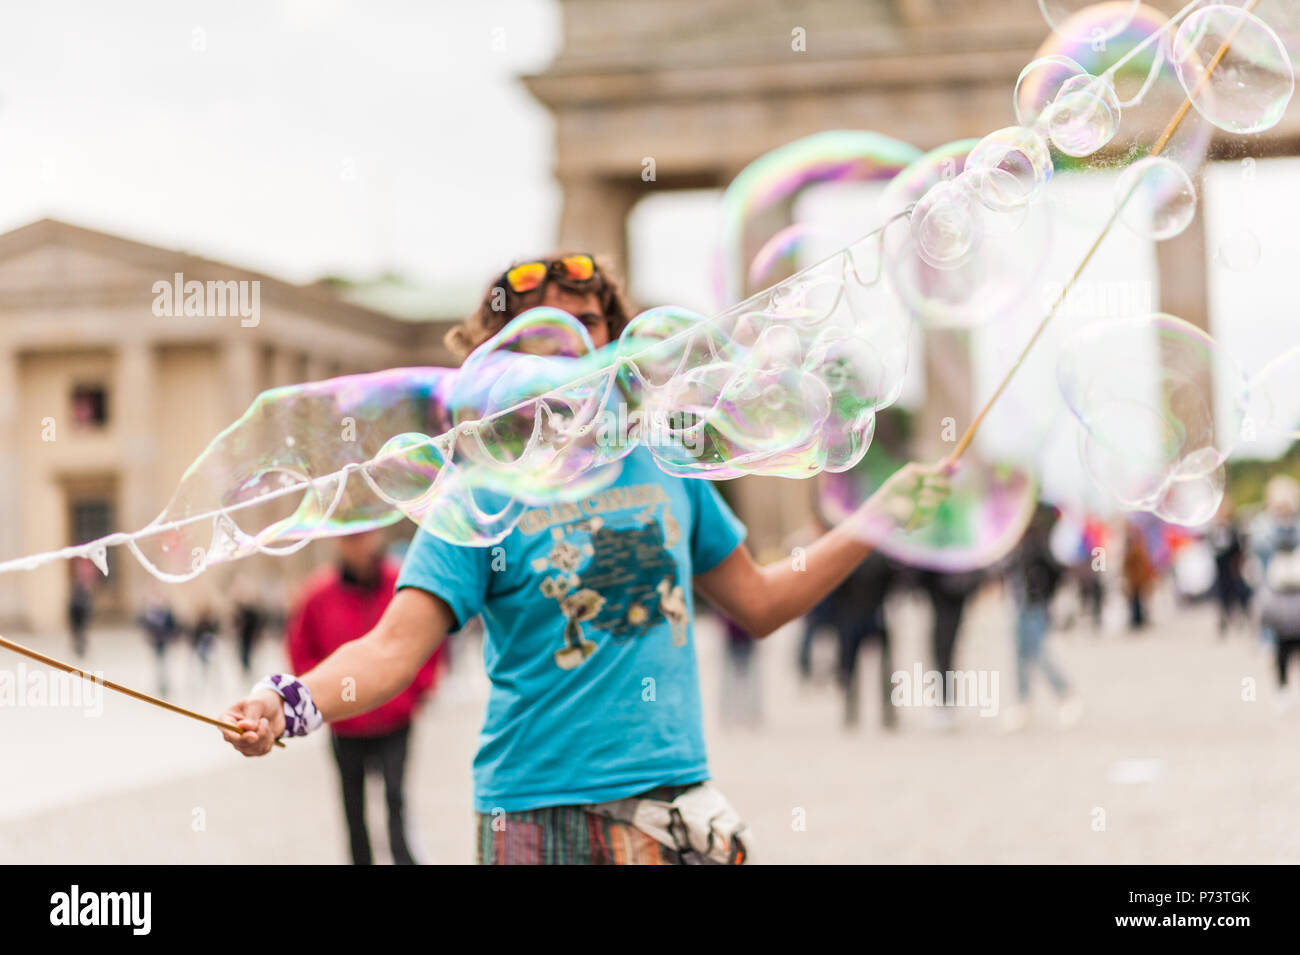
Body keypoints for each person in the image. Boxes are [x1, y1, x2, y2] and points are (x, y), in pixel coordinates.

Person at [221, 253, 949, 865]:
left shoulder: (664, 463)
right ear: (498, 358)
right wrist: (291, 704)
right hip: (535, 818)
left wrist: (873, 519)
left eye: (589, 318)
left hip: (671, 803)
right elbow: (390, 648)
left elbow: (760, 601)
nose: (566, 339)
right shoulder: (475, 490)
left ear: (619, 343)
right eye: (541, 322)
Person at [287, 530, 443, 865]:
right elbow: (301, 653)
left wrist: (415, 691)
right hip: (345, 725)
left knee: (395, 799)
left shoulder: (402, 583)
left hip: (395, 718)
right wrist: (323, 699)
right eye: (348, 538)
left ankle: (404, 858)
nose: (357, 544)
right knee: (352, 806)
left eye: (361, 536)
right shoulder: (317, 595)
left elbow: (428, 638)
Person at [1003, 503, 1079, 730]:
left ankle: (1065, 695)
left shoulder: (1039, 538)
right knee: (1020, 654)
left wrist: (1047, 596)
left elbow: (1056, 570)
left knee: (1037, 652)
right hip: (1020, 602)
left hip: (1035, 603)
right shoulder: (1017, 539)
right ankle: (1023, 703)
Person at [139, 592, 180, 696]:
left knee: (164, 665)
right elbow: (146, 626)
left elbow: (173, 627)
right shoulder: (152, 616)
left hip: (164, 642)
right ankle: (160, 685)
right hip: (157, 643)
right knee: (159, 665)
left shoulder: (166, 615)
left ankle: (165, 686)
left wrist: (171, 636)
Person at [1122, 519, 1155, 631]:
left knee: (1137, 601)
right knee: (1136, 601)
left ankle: (1137, 620)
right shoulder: (1138, 547)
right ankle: (1137, 620)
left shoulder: (1134, 548)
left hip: (1136, 579)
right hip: (1136, 579)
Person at [67, 558, 95, 658]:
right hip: (76, 611)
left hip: (80, 611)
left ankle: (81, 648)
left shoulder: (84, 590)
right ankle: (79, 647)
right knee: (78, 631)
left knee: (80, 631)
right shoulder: (77, 589)